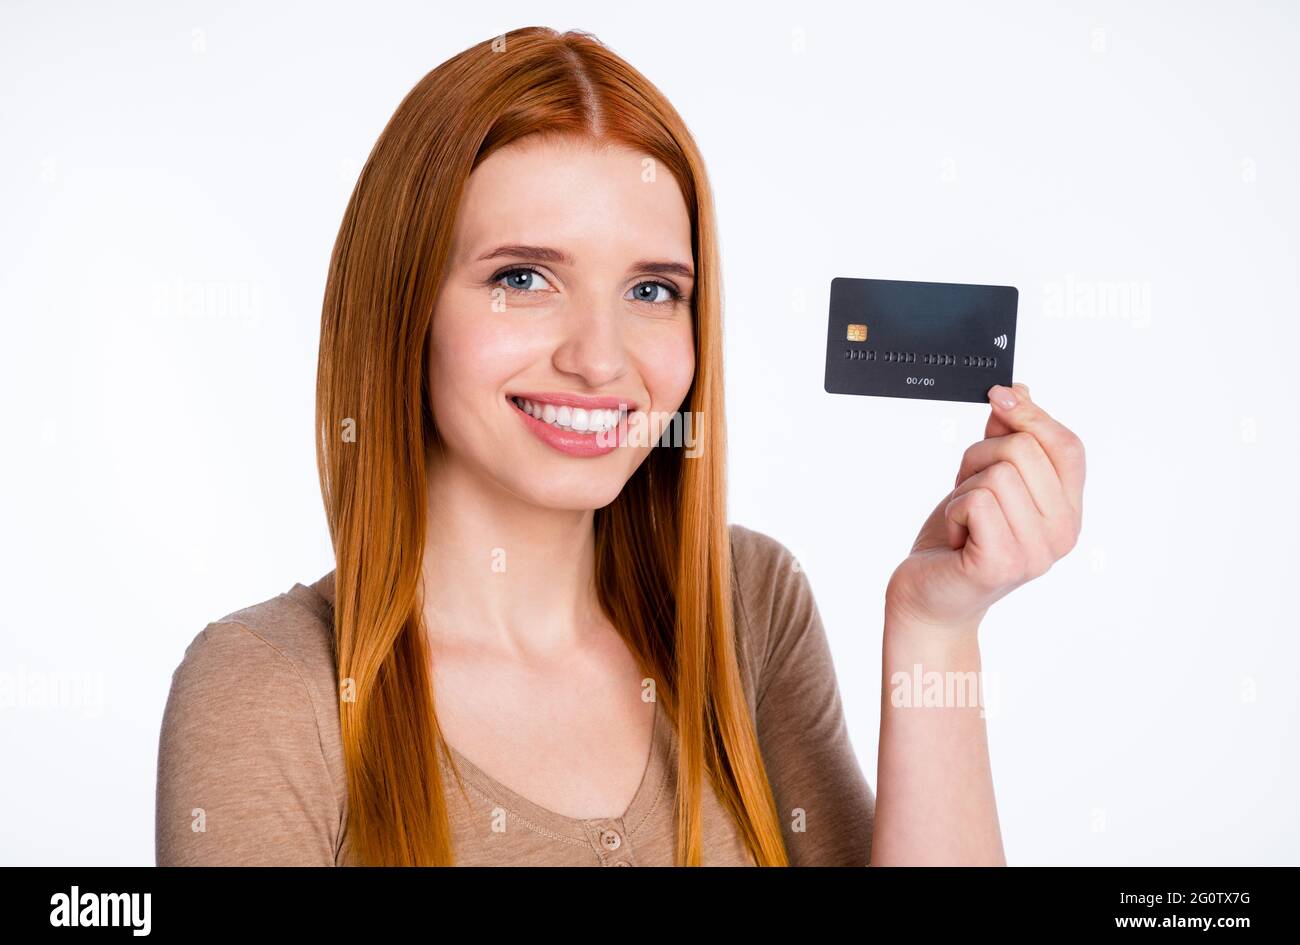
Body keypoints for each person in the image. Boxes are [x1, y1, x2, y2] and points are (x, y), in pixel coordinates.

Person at [155, 26, 1085, 867]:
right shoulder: (268, 690)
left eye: (651, 291)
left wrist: (939, 626)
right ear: (404, 306)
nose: (601, 361)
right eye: (523, 277)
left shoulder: (747, 610)